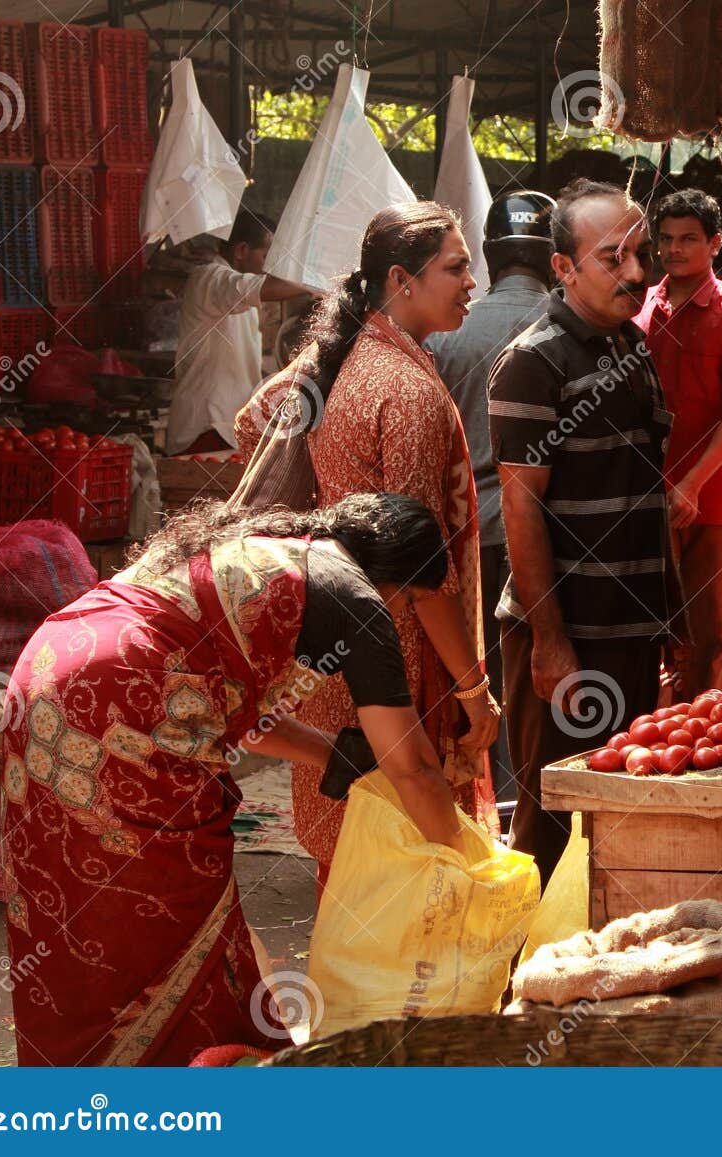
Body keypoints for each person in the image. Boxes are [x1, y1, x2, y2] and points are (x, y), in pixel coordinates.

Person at [2, 493, 464, 1065]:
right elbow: (412, 766)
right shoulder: (357, 598)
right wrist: (465, 860)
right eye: (411, 601)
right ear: (398, 578)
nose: (401, 614)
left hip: (46, 672)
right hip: (117, 698)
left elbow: (238, 715)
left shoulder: (268, 552)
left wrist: (336, 756)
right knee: (173, 906)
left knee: (80, 908)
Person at [235, 201, 499, 881]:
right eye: (456, 266)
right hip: (394, 660)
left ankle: (346, 987)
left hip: (329, 643)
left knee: (351, 862)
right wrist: (474, 692)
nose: (472, 282)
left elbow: (249, 423)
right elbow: (421, 572)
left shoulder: (342, 357)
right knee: (405, 858)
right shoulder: (405, 390)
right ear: (399, 280)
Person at [488, 179, 675, 884]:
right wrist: (551, 638)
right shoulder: (533, 361)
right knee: (552, 815)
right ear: (563, 268)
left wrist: (670, 620)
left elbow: (648, 493)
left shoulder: (633, 346)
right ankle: (521, 978)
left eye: (640, 253)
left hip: (631, 627)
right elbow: (521, 507)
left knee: (620, 808)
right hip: (571, 633)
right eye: (611, 258)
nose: (635, 272)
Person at [426, 190, 557, 800]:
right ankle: (539, 805)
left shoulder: (447, 331)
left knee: (477, 676)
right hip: (549, 535)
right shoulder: (574, 328)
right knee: (544, 676)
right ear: (555, 254)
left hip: (469, 531)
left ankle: (489, 801)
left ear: (490, 254)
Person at [636, 189, 722, 697]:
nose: (674, 249)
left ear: (715, 243)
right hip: (645, 494)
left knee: (710, 634)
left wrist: (691, 483)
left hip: (712, 495)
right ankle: (646, 735)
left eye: (688, 239)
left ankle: (701, 736)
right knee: (648, 629)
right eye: (666, 239)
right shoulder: (639, 308)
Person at [168, 210, 306, 455]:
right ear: (241, 251)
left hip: (228, 428)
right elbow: (257, 289)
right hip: (205, 427)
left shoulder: (241, 295)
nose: (271, 266)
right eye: (266, 256)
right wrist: (316, 283)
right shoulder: (209, 278)